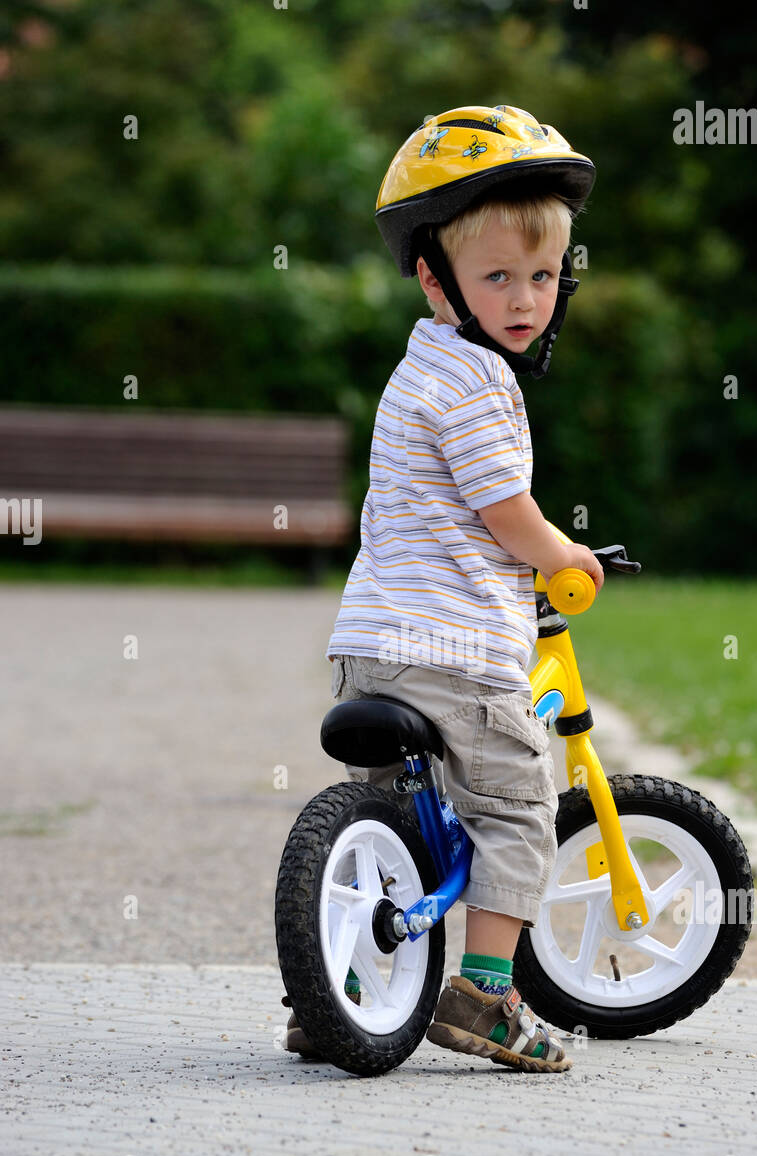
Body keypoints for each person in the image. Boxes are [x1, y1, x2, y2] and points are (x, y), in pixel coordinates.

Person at [286, 103, 604, 1072]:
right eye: (497, 276)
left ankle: (332, 999)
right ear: (437, 278)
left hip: (374, 644)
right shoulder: (479, 381)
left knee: (396, 822)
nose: (523, 298)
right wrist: (562, 555)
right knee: (515, 809)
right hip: (456, 651)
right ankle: (485, 997)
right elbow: (503, 505)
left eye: (542, 276)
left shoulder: (419, 366)